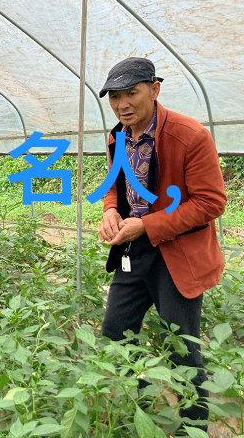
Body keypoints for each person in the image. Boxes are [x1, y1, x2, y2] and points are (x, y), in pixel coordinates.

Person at [97, 57, 226, 433]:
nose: (123, 104)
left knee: (182, 348)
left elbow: (210, 203)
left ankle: (194, 428)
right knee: (116, 333)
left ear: (154, 90)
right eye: (115, 96)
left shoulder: (190, 136)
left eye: (131, 93)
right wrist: (110, 211)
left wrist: (147, 225)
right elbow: (116, 186)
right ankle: (137, 412)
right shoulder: (117, 136)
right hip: (133, 250)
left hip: (178, 252)